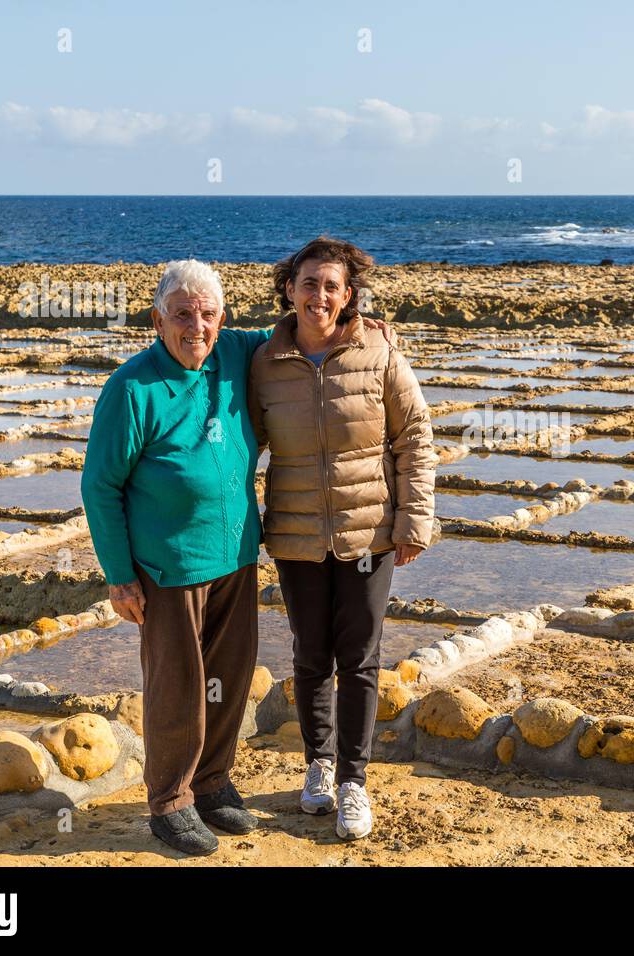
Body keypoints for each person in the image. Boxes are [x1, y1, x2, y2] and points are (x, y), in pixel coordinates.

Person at [81, 258, 396, 856]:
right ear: (157, 320)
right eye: (180, 315)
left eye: (206, 314)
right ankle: (169, 800)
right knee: (178, 687)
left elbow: (306, 326)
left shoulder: (234, 353)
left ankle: (212, 782)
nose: (195, 326)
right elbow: (99, 487)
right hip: (168, 566)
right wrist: (120, 578)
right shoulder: (132, 387)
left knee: (226, 679)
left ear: (222, 319)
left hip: (235, 556)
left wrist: (362, 324)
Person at [248, 237, 435, 840]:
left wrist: (413, 522)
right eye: (309, 284)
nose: (319, 296)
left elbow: (415, 438)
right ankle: (318, 767)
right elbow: (238, 445)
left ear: (348, 294)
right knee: (309, 656)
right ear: (289, 289)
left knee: (359, 659)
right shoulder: (265, 360)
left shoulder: (379, 349)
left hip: (368, 534)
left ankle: (354, 781)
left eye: (331, 286)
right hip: (297, 535)